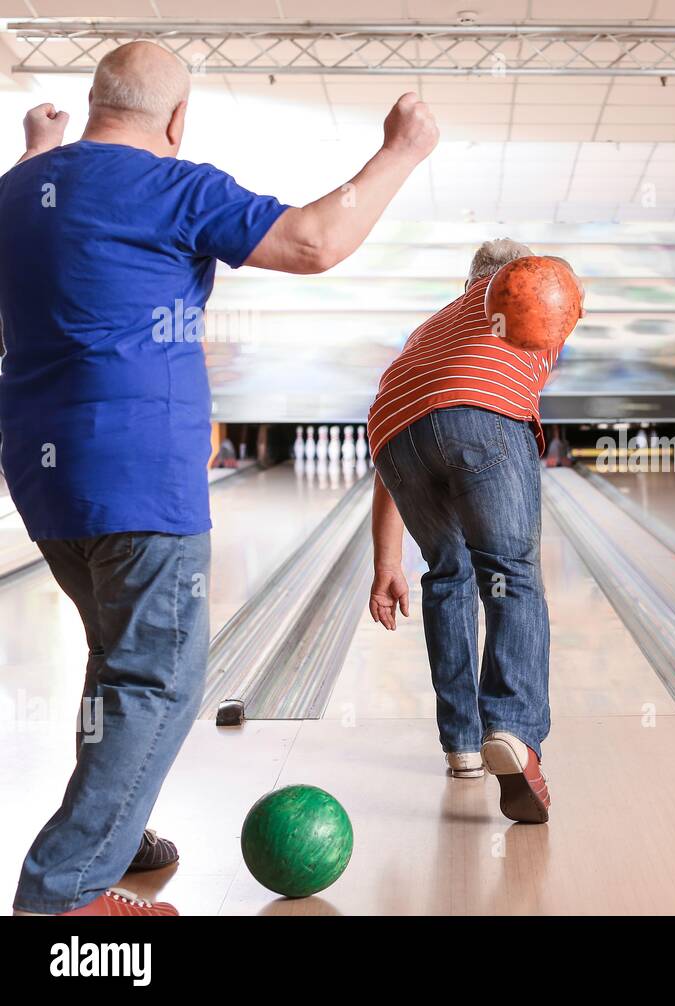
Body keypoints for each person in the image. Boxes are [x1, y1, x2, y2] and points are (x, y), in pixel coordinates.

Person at [0, 41, 438, 916]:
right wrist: (402, 152)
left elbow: (43, 215)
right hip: (141, 478)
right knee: (158, 678)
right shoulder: (176, 186)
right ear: (176, 118)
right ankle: (66, 897)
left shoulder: (21, 190)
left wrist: (35, 151)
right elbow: (314, 243)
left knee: (121, 662)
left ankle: (119, 836)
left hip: (46, 482)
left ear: (93, 106)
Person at [366, 239, 579, 825]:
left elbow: (399, 438)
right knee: (510, 573)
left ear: (468, 281)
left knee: (449, 572)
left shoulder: (429, 331)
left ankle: (461, 744)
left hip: (395, 438)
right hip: (479, 416)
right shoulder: (529, 297)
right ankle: (512, 731)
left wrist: (388, 563)